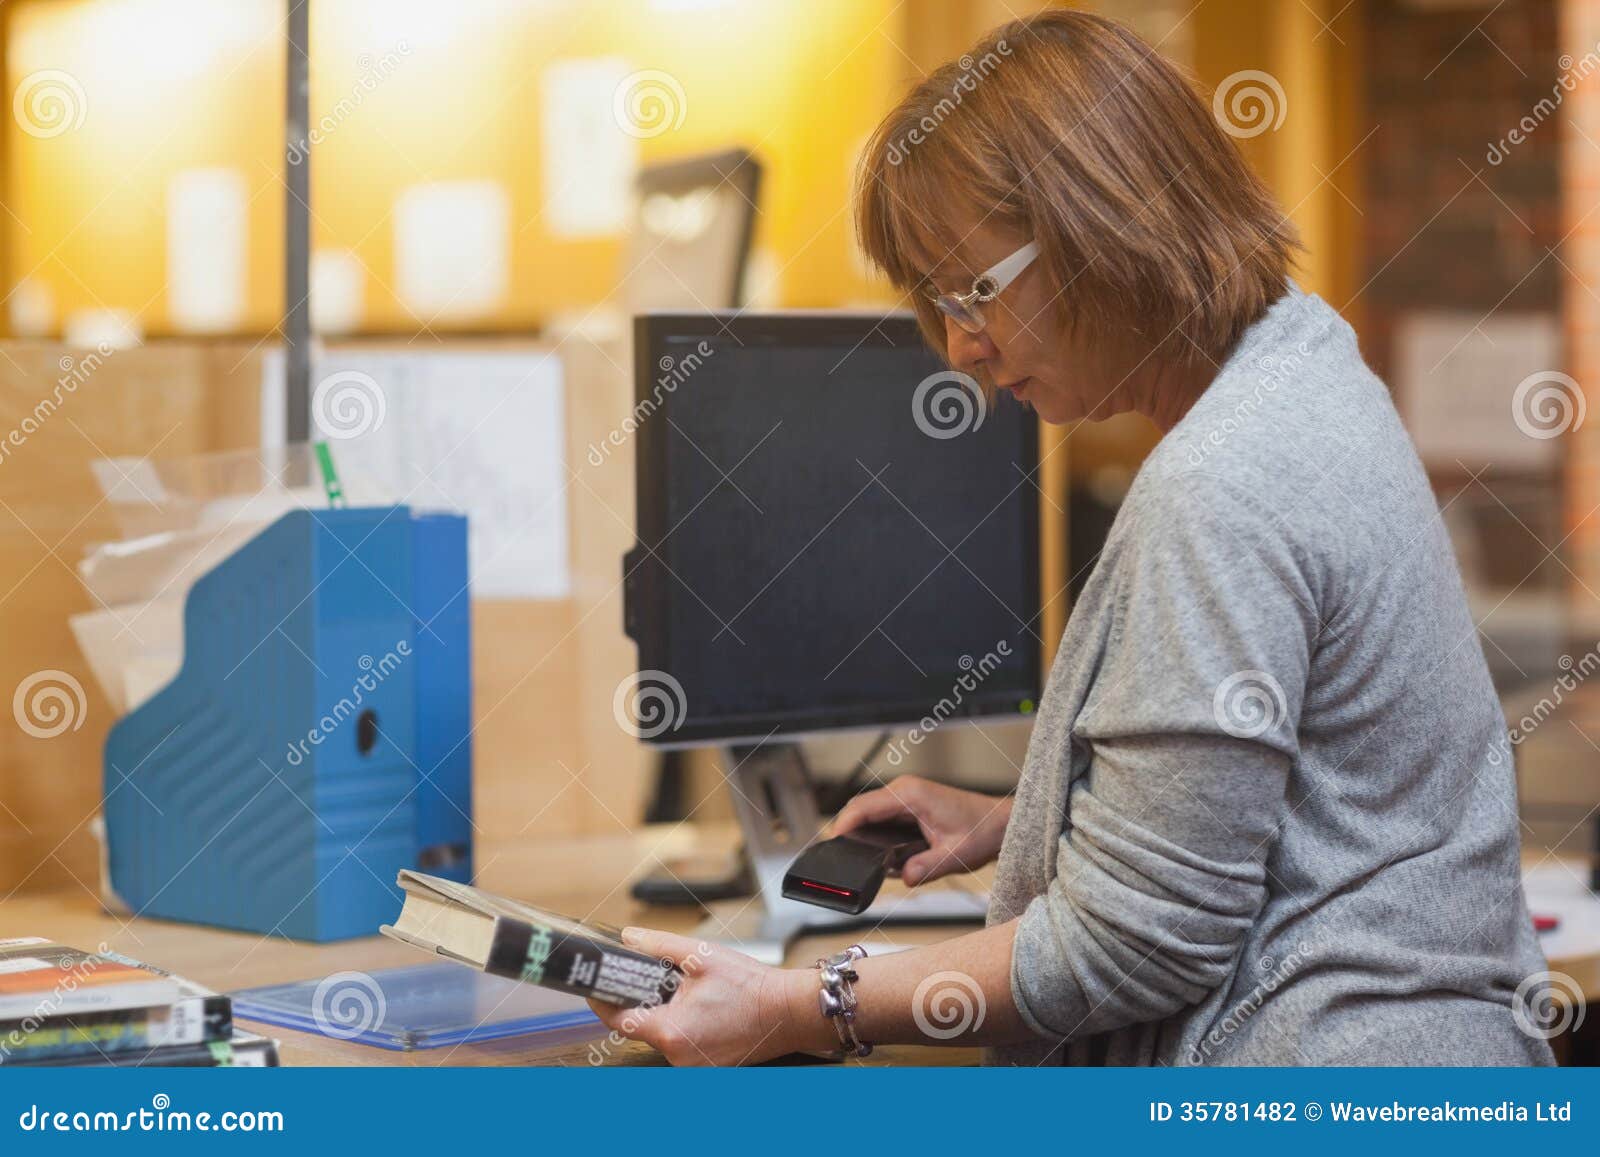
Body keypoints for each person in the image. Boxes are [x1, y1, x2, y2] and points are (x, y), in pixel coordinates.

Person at [590, 9, 1555, 1066]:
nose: (961, 348)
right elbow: (1291, 791)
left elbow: (1136, 945)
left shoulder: (1219, 484)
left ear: (1108, 224)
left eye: (976, 293)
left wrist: (808, 1000)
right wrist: (1037, 814)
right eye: (938, 304)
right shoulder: (1307, 367)